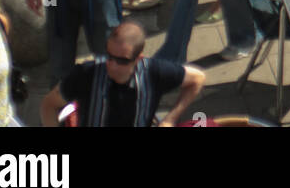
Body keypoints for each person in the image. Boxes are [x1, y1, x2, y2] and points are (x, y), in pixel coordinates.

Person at [40, 21, 206, 128]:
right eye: (109, 56)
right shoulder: (86, 74)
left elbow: (198, 78)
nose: (112, 65)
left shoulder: (155, 72)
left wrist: (170, 118)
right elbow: (49, 105)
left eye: (122, 60)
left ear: (138, 59)